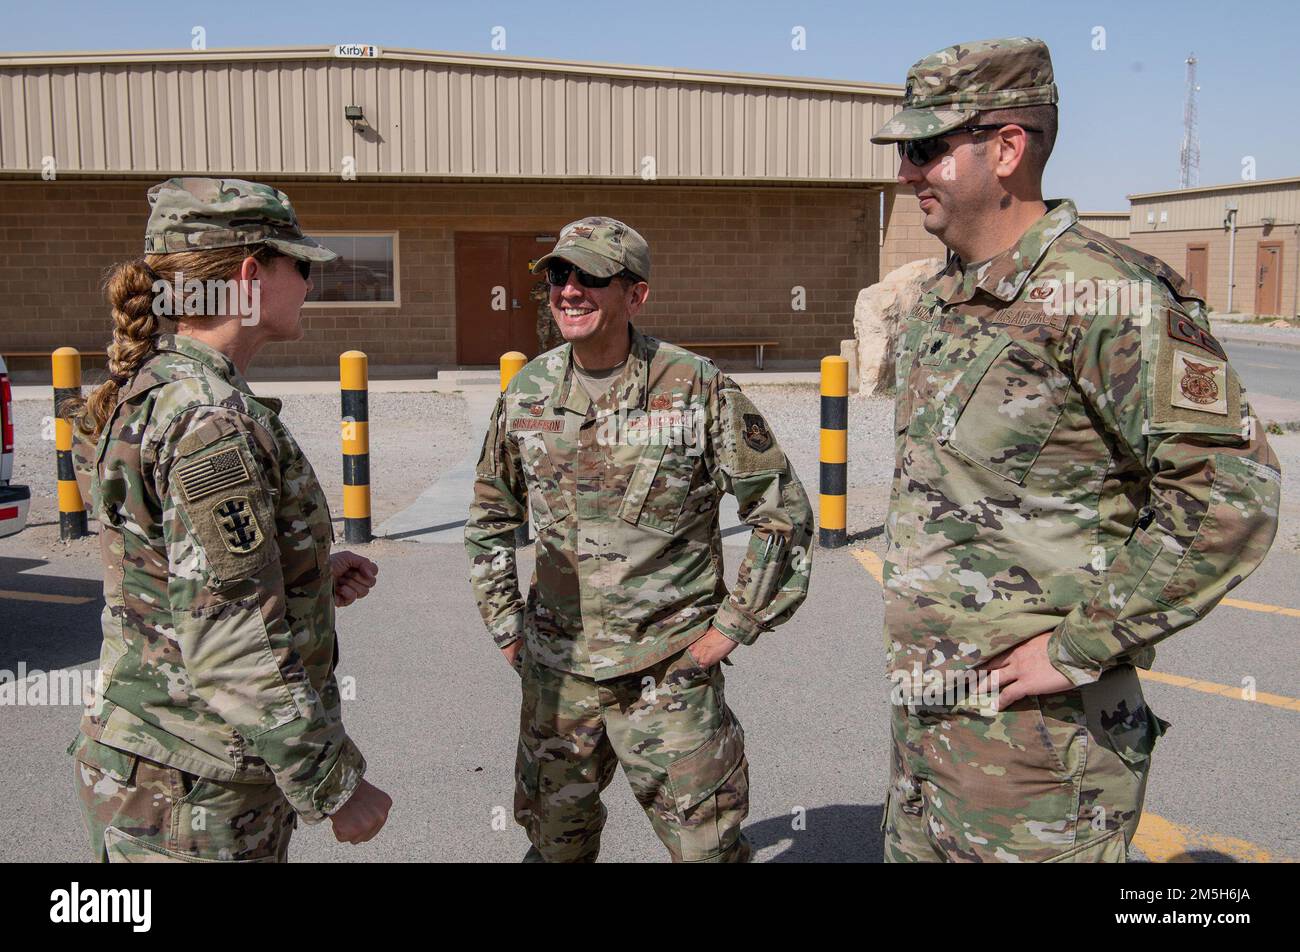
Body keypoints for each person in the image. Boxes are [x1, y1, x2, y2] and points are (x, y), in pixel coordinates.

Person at [871, 38, 1280, 862]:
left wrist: (1079, 644)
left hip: (1040, 758)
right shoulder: (943, 299)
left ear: (1009, 148)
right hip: (928, 728)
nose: (908, 174)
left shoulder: (1109, 296)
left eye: (926, 150)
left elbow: (1229, 495)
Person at [465, 217, 814, 862]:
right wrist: (506, 628)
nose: (569, 291)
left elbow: (781, 513)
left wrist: (731, 629)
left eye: (591, 277)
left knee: (706, 849)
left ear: (636, 295)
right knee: (554, 847)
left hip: (668, 671)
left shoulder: (692, 386)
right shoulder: (529, 391)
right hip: (559, 676)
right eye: (558, 276)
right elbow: (490, 517)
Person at [66, 177, 392, 862]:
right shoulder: (209, 418)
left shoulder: (157, 386)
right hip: (192, 787)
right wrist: (333, 785)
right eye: (298, 266)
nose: (308, 284)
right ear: (250, 274)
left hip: (159, 765)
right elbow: (230, 639)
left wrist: (301, 574)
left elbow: (169, 571)